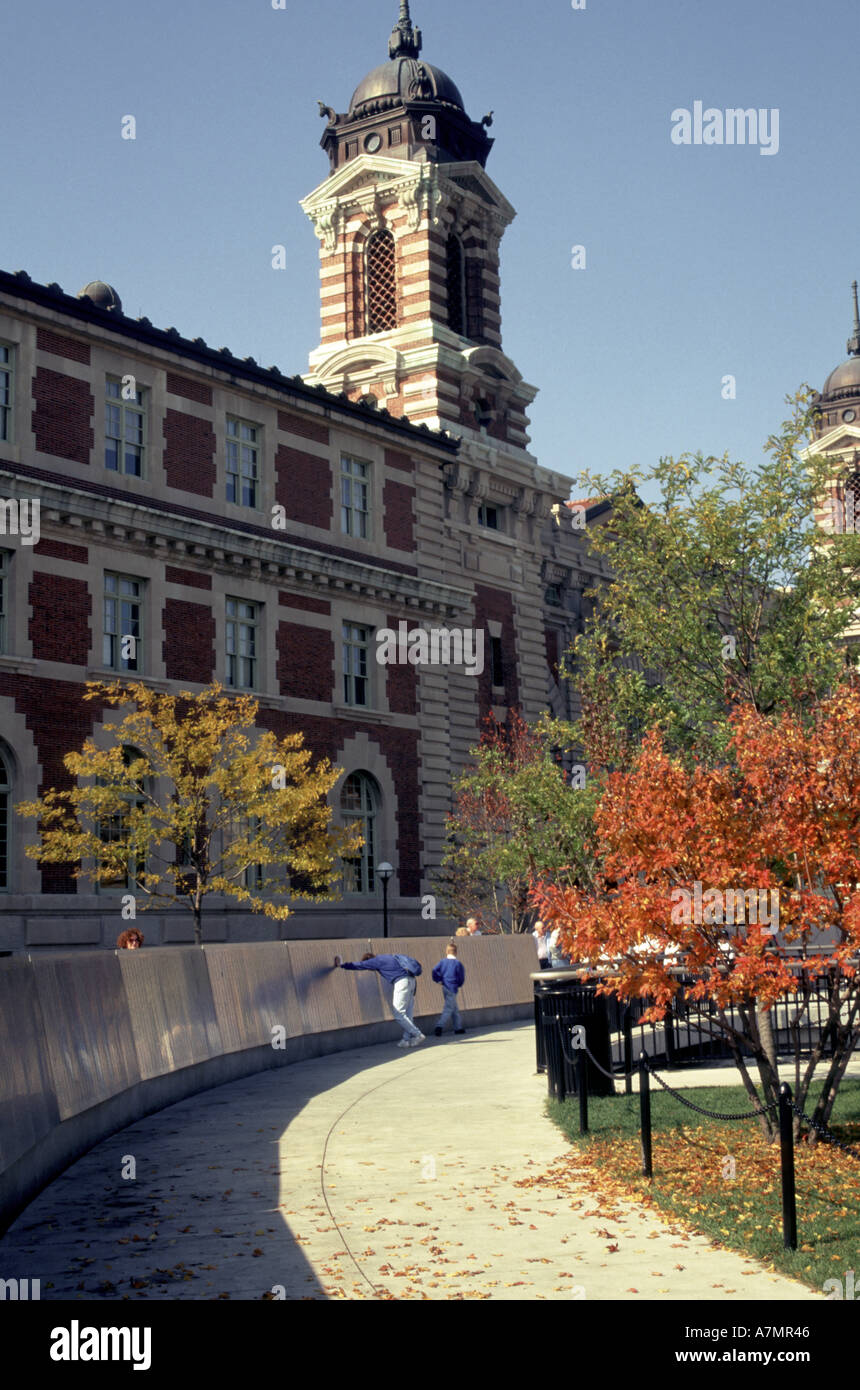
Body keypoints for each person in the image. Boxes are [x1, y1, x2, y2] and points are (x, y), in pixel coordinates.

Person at [334, 952, 425, 1050]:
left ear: (369, 961)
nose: (371, 970)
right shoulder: (390, 957)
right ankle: (406, 1040)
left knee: (399, 1013)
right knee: (408, 1014)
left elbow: (359, 965)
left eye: (370, 968)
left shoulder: (376, 961)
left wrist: (342, 965)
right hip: (411, 981)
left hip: (401, 982)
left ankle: (417, 1034)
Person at [432, 942, 466, 1038]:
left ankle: (458, 1027)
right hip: (452, 987)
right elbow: (461, 977)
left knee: (454, 1007)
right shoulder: (458, 964)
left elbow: (434, 970)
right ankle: (439, 1026)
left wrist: (438, 980)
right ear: (456, 952)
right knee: (448, 1008)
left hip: (444, 986)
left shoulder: (442, 962)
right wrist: (458, 984)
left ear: (446, 952)